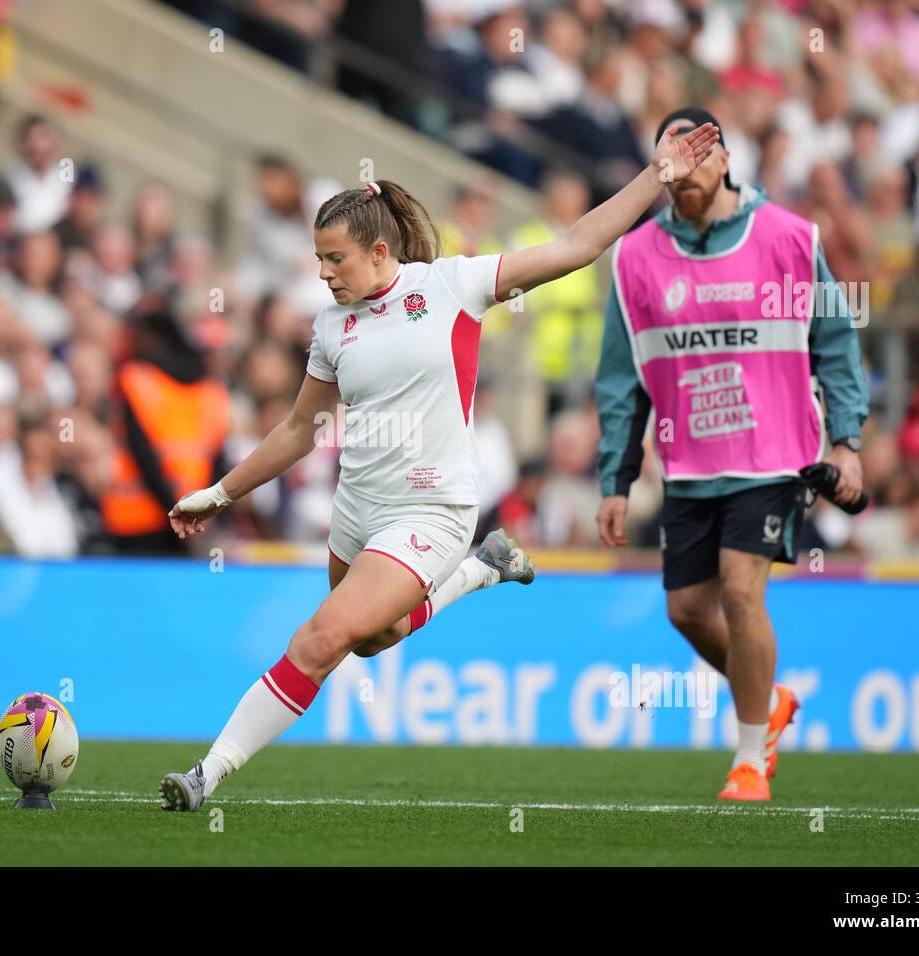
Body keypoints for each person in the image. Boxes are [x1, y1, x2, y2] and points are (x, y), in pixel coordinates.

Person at [157, 118, 722, 811]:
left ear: (379, 250)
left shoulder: (456, 285)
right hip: (357, 510)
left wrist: (655, 177)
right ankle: (482, 569)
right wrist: (220, 492)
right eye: (317, 258)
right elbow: (301, 429)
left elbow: (577, 245)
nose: (323, 272)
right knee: (372, 640)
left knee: (322, 638)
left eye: (335, 259)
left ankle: (206, 775)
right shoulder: (334, 326)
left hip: (432, 508)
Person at [595, 107, 869, 802]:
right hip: (687, 462)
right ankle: (768, 700)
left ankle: (749, 761)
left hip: (774, 455)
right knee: (687, 611)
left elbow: (835, 342)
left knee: (743, 593)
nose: (680, 183)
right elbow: (621, 379)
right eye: (668, 170)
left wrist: (847, 441)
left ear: (721, 159)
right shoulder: (634, 257)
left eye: (691, 163)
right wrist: (616, 479)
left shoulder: (787, 237)